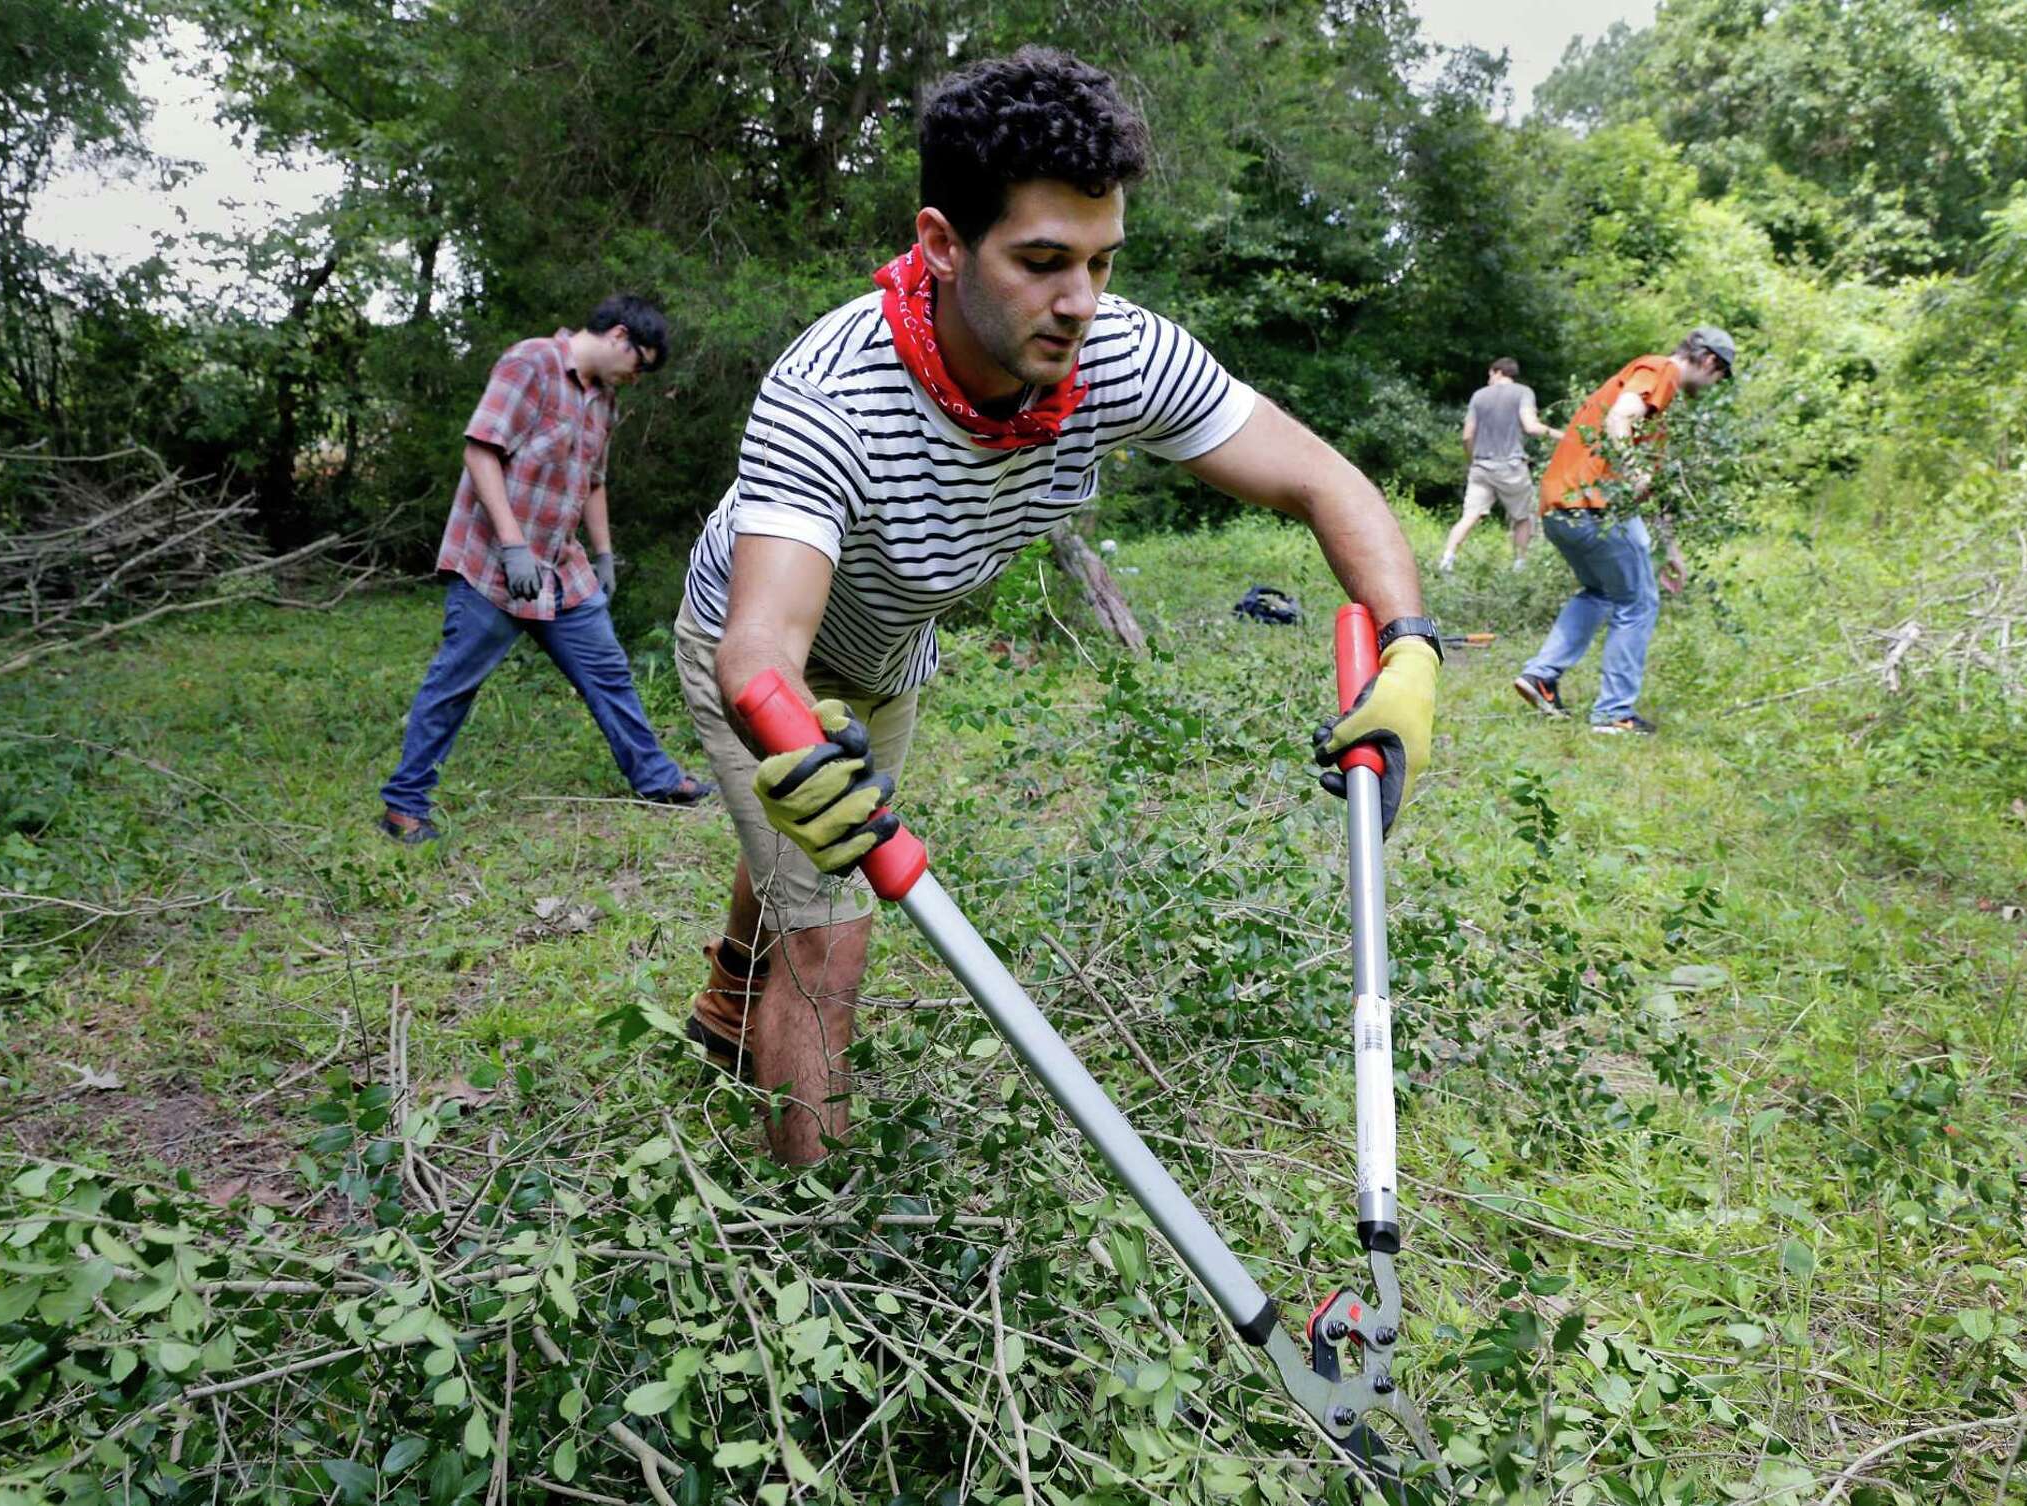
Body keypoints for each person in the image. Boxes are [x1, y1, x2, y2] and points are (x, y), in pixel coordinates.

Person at [673, 48, 1440, 1164]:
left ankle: (725, 997)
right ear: (940, 243)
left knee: (802, 831)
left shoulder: (1118, 354)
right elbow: (762, 650)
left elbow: (1323, 481)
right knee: (830, 939)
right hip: (754, 653)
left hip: (889, 650)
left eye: (1099, 260)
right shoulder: (826, 392)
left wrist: (1408, 648)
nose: (1078, 302)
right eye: (1040, 262)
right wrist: (779, 727)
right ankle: (812, 1235)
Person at [378, 295, 713, 843]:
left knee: (608, 673)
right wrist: (513, 547)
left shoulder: (603, 400)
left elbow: (594, 481)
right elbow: (481, 452)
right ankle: (403, 807)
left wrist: (603, 555)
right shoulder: (530, 362)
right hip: (492, 564)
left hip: (560, 569)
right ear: (619, 336)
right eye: (641, 362)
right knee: (454, 684)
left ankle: (657, 779)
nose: (641, 375)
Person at [1511, 327, 1734, 735]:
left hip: (1559, 507)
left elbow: (1651, 490)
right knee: (1639, 603)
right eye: (1719, 376)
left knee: (1600, 593)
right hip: (1596, 506)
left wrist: (1672, 552)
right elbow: (1620, 417)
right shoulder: (1660, 369)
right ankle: (1614, 714)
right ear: (1709, 362)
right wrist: (1632, 472)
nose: (1714, 384)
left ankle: (1541, 677)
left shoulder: (1659, 415)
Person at [1437, 357, 1565, 573]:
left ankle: (1447, 558)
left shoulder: (1478, 396)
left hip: (1481, 467)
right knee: (1523, 517)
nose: (1489, 379)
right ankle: (1520, 565)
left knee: (1469, 516)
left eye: (1489, 374)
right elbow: (1531, 427)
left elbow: (1467, 435)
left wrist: (1473, 459)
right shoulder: (1523, 392)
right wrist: (1563, 436)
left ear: (1497, 372)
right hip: (1511, 467)